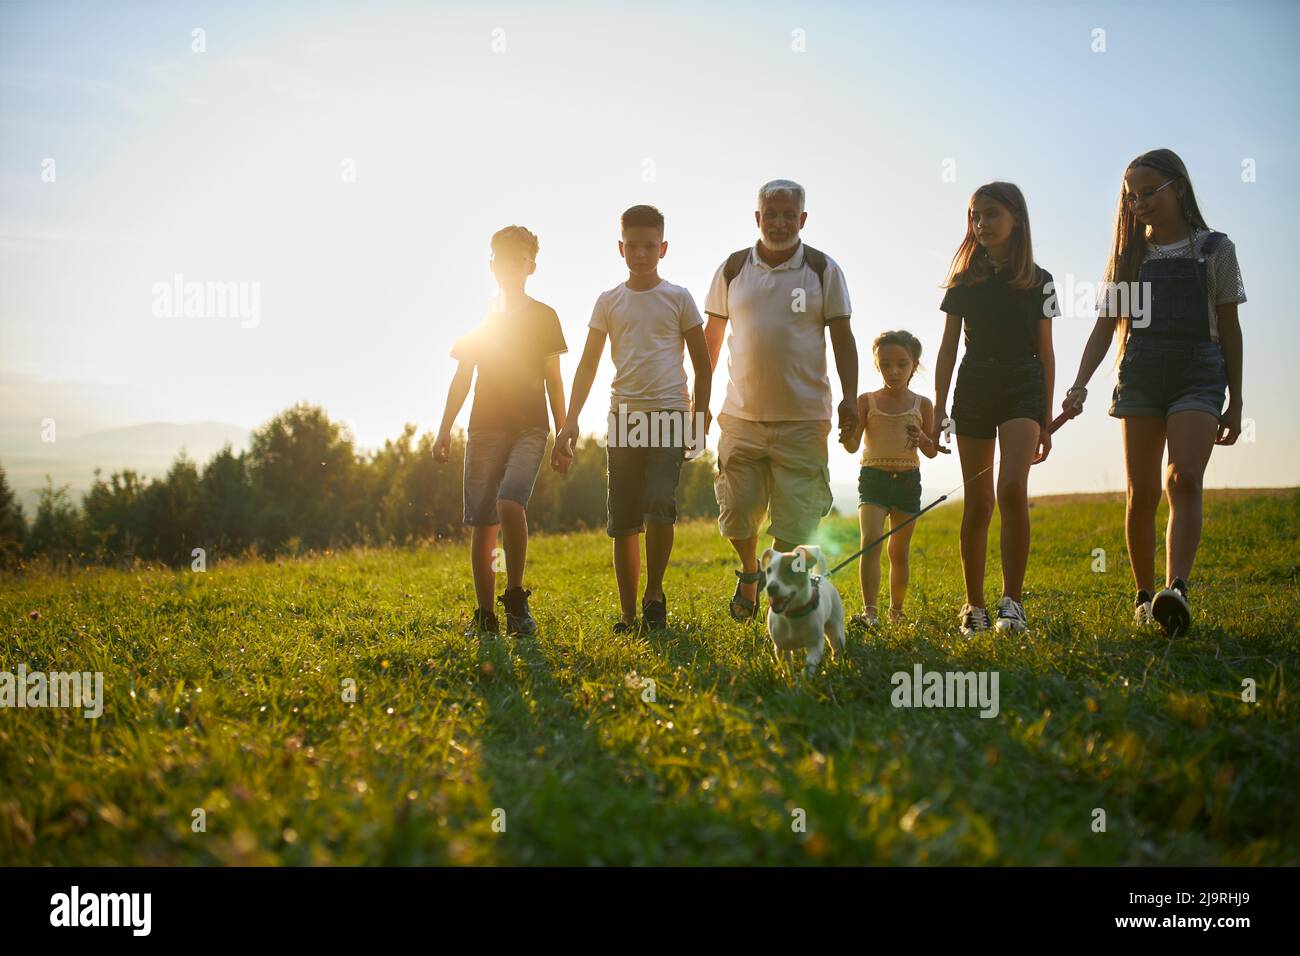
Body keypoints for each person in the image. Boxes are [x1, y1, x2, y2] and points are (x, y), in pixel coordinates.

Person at [1063, 148, 1245, 636]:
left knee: (1183, 479)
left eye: (1149, 192)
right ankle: (1144, 598)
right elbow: (1105, 328)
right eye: (1132, 197)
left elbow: (1229, 326)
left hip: (1200, 373)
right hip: (1140, 372)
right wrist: (1078, 385)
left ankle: (1177, 589)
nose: (1138, 203)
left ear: (1178, 188)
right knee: (1141, 493)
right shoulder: (1130, 256)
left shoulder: (1216, 249)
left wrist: (1238, 401)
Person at [703, 179, 859, 622]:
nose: (779, 222)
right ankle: (750, 571)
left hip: (803, 418)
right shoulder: (733, 269)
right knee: (735, 514)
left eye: (789, 215)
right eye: (770, 214)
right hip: (741, 416)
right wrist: (698, 399)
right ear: (757, 218)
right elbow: (711, 340)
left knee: (796, 523)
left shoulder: (822, 269)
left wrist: (849, 398)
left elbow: (843, 337)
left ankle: (774, 573)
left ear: (803, 220)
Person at [554, 205, 712, 632]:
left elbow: (703, 363)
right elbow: (587, 365)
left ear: (662, 248)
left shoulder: (679, 298)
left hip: (670, 414)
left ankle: (655, 593)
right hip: (623, 418)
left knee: (660, 502)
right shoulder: (608, 302)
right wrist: (570, 420)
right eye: (633, 246)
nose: (641, 254)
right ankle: (627, 614)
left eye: (649, 246)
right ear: (620, 248)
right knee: (622, 517)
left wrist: (702, 412)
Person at [931, 182, 1057, 635]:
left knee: (1011, 488)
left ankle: (1012, 603)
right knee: (978, 500)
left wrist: (1045, 419)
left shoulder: (1041, 281)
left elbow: (1046, 350)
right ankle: (974, 607)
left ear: (1016, 219)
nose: (981, 223)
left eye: (991, 214)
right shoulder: (966, 280)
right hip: (975, 385)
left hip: (1024, 385)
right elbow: (947, 350)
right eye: (975, 216)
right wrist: (938, 409)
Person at [435, 225, 568, 637]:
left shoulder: (545, 316)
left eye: (518, 259)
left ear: (531, 265)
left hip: (530, 429)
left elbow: (554, 379)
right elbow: (462, 377)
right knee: (483, 523)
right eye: (502, 258)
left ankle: (515, 599)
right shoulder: (483, 319)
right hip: (484, 430)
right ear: (492, 265)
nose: (509, 266)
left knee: (511, 501)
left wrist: (563, 434)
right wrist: (444, 430)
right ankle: (485, 615)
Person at [841, 330, 946, 627]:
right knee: (870, 541)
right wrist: (846, 431)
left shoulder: (922, 404)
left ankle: (896, 613)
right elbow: (851, 447)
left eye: (901, 363)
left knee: (898, 550)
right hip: (873, 477)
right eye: (885, 364)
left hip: (908, 482)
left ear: (914, 364)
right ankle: (870, 612)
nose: (894, 371)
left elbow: (931, 452)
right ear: (876, 365)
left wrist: (924, 436)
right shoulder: (867, 400)